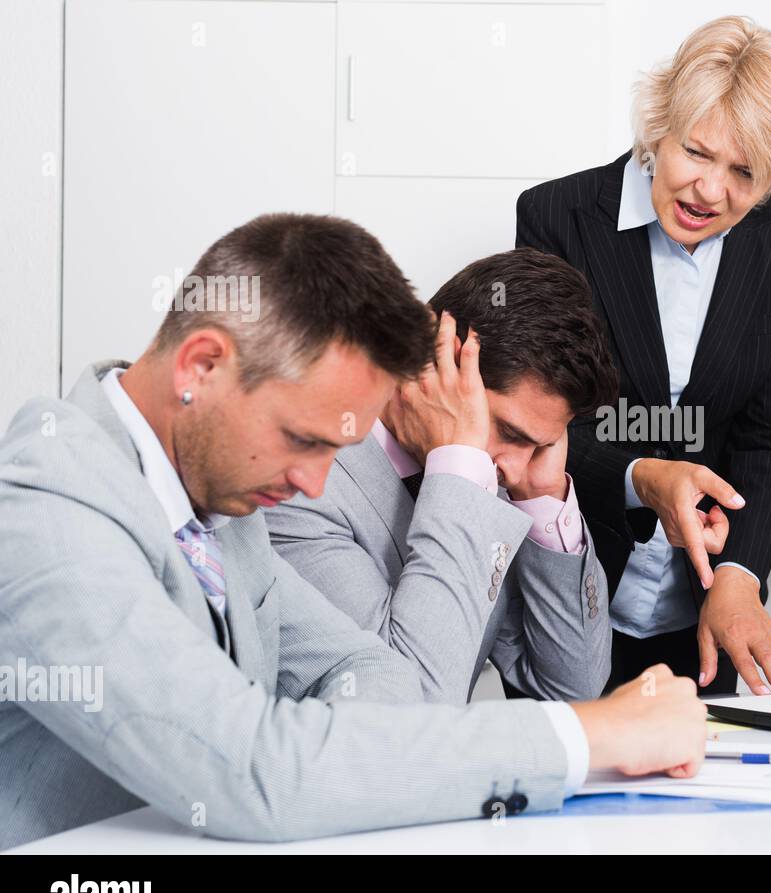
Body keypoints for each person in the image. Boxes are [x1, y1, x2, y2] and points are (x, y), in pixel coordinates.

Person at [0, 213, 705, 850]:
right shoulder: (46, 506)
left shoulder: (216, 501)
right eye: (304, 439)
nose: (312, 482)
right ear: (201, 367)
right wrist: (584, 736)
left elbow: (389, 684)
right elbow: (255, 768)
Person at [516, 16, 771, 697]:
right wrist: (643, 476)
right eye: (697, 152)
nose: (711, 190)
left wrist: (740, 578)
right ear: (659, 125)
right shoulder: (557, 216)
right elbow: (531, 422)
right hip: (574, 592)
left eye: (745, 172)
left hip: (707, 608)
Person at [265, 249, 617, 702]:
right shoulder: (296, 484)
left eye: (539, 444)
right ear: (437, 359)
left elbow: (573, 688)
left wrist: (544, 498)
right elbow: (407, 707)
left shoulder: (495, 479)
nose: (513, 469)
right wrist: (458, 471)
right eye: (510, 431)